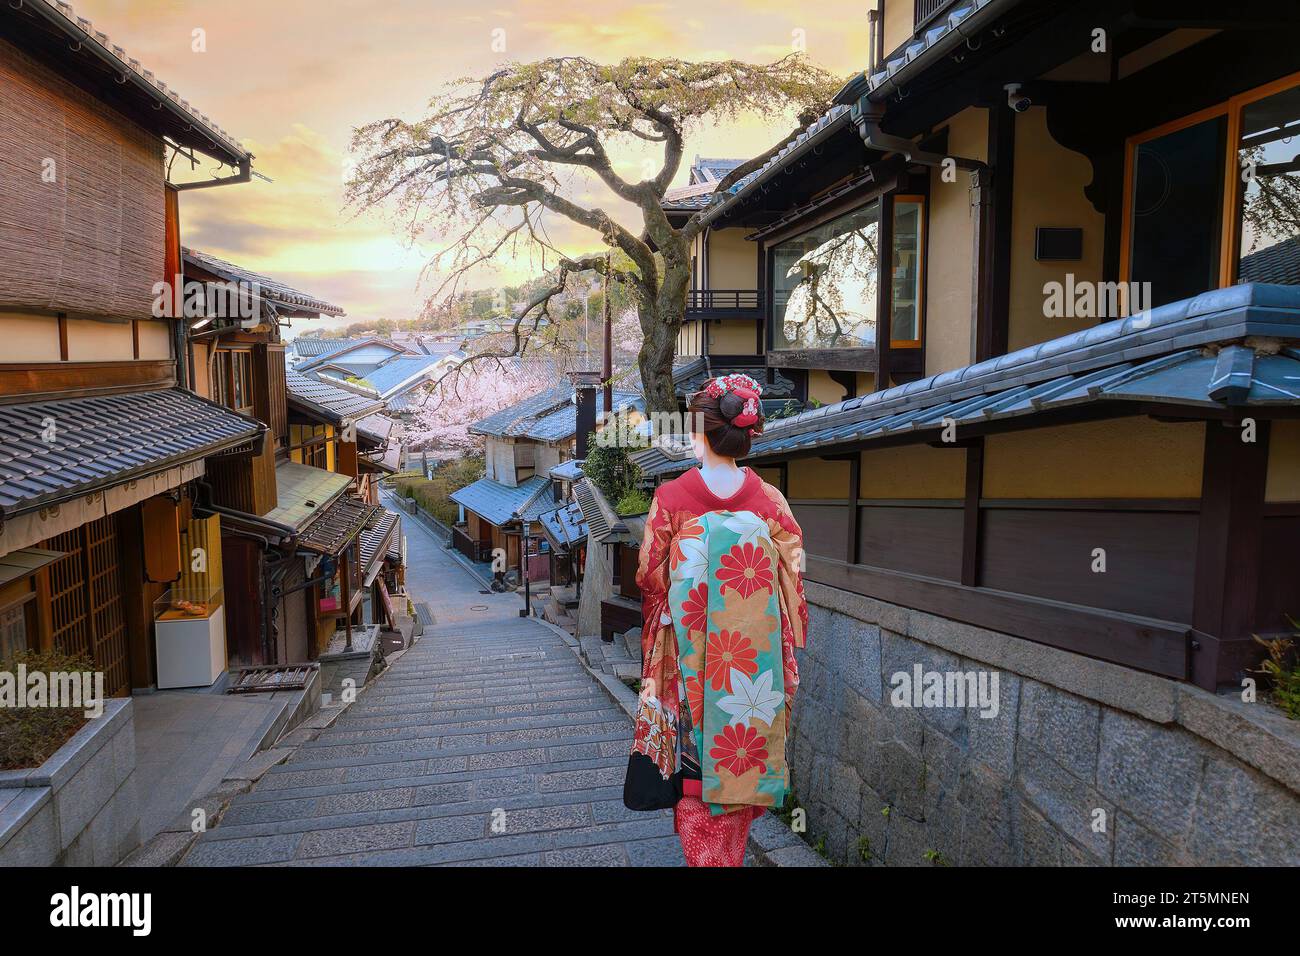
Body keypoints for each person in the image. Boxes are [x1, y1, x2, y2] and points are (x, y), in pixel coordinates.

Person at [635, 374, 809, 867]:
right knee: (743, 759)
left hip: (691, 659)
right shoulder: (769, 501)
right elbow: (793, 575)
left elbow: (649, 575)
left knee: (695, 771)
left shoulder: (671, 498)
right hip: (753, 660)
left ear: (698, 432)